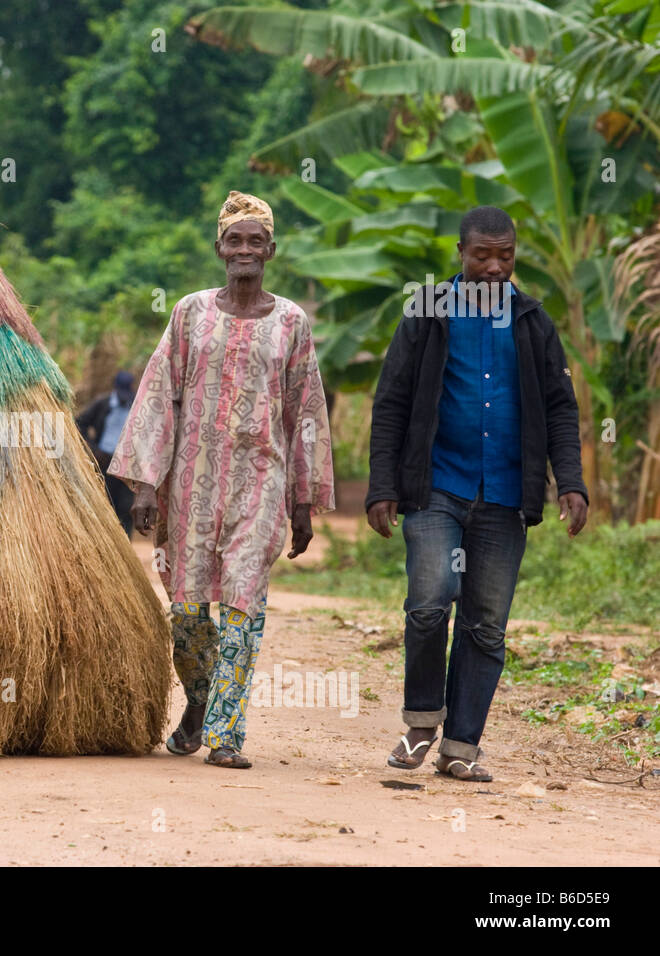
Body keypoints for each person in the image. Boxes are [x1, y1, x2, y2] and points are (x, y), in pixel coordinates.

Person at [109, 191, 336, 770]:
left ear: (271, 251)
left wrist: (303, 500)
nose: (244, 250)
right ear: (219, 249)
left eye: (255, 241)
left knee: (241, 602)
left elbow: (304, 411)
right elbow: (160, 396)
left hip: (260, 480)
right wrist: (144, 485)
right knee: (186, 611)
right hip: (191, 483)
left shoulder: (291, 322)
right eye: (234, 240)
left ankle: (226, 732)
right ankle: (202, 700)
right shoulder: (189, 313)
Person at [368, 205, 589, 782]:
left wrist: (571, 482)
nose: (495, 266)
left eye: (506, 255)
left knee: (487, 625)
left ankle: (461, 747)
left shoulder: (533, 320)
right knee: (430, 600)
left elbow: (562, 409)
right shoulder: (427, 313)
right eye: (482, 255)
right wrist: (382, 486)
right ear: (460, 255)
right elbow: (391, 401)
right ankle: (421, 722)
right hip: (436, 487)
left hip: (505, 495)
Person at [76, 370, 136, 534]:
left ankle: (125, 549)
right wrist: (93, 450)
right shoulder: (102, 404)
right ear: (115, 388)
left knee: (125, 508)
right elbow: (79, 423)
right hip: (104, 462)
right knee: (104, 505)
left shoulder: (136, 405)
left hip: (126, 465)